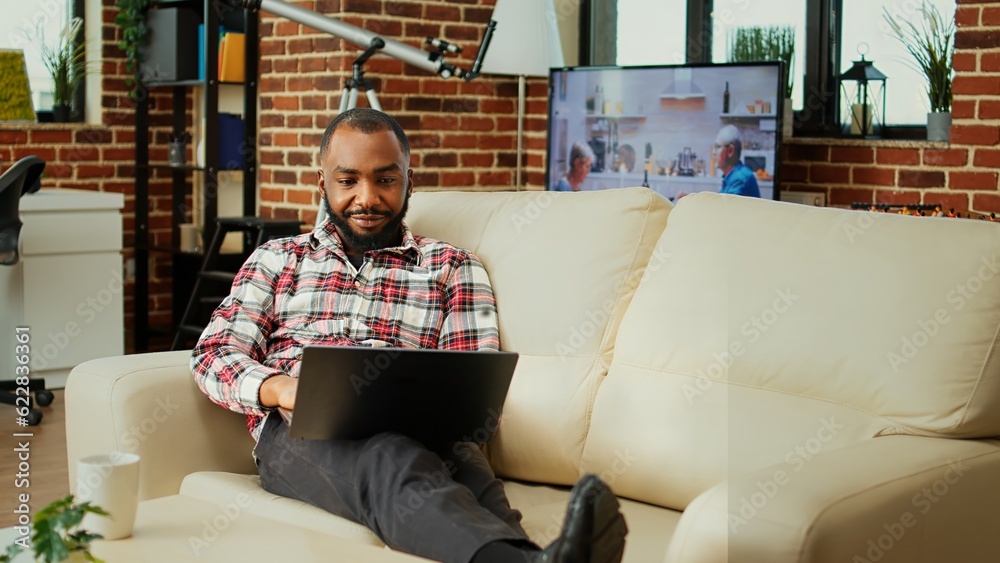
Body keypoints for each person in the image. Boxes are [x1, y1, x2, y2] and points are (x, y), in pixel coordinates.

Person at [191, 108, 627, 563]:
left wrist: (450, 411)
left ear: (408, 182)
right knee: (388, 455)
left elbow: (474, 384)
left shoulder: (453, 267)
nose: (367, 198)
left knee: (467, 468)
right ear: (323, 184)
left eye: (385, 180)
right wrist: (283, 388)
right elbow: (213, 353)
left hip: (427, 430)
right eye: (348, 181)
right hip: (300, 434)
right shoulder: (278, 260)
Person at [713, 124, 760, 198]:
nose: (714, 152)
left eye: (718, 147)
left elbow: (725, 207)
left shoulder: (740, 179)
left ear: (730, 151)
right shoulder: (732, 176)